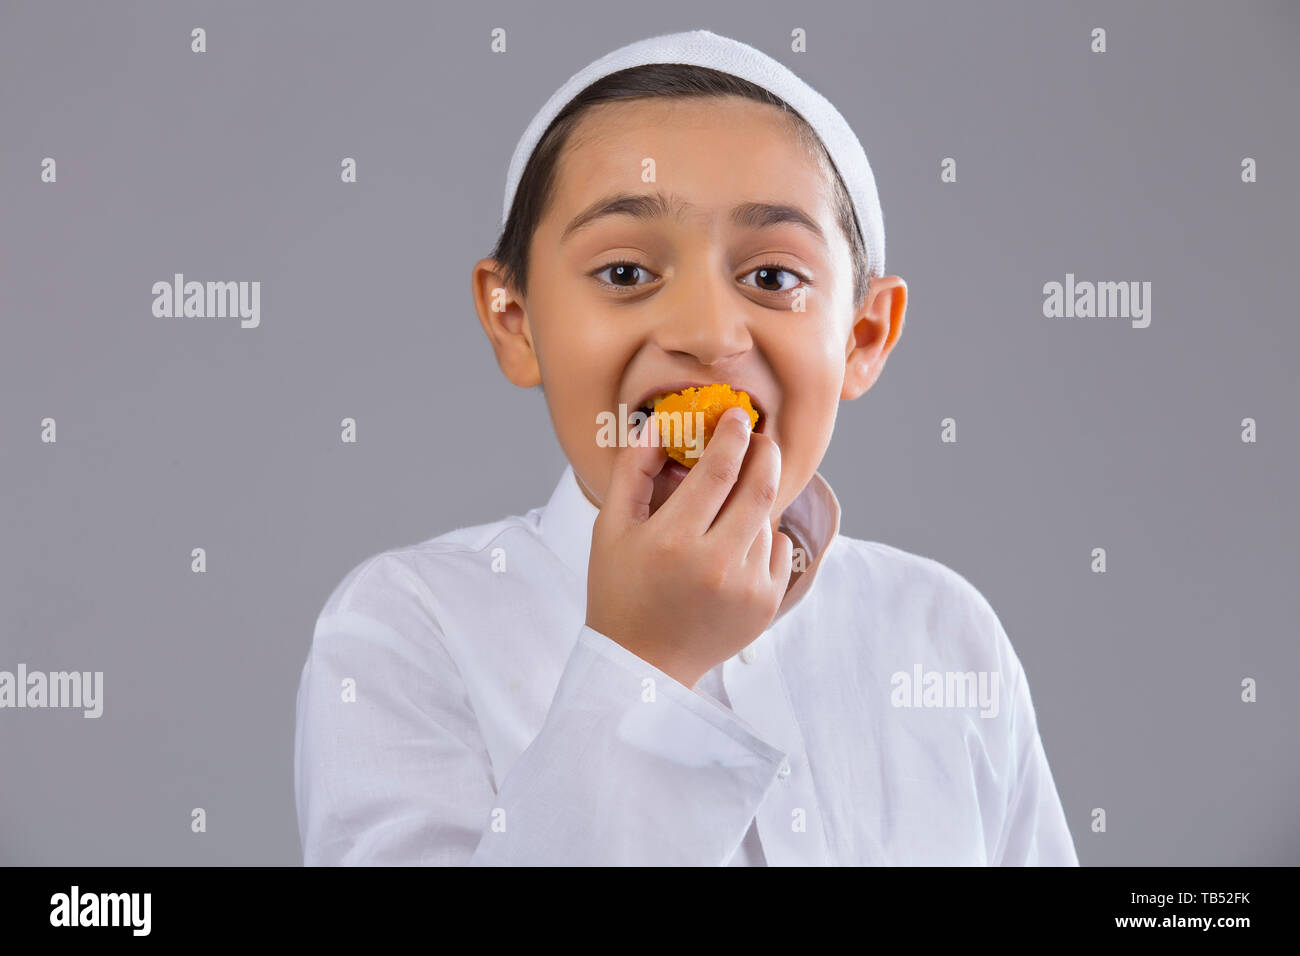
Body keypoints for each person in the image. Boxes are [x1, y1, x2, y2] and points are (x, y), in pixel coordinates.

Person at [293, 29, 1078, 866]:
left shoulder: (943, 633)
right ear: (514, 320)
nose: (708, 336)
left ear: (862, 335)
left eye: (774, 277)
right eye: (626, 273)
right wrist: (642, 664)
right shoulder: (407, 627)